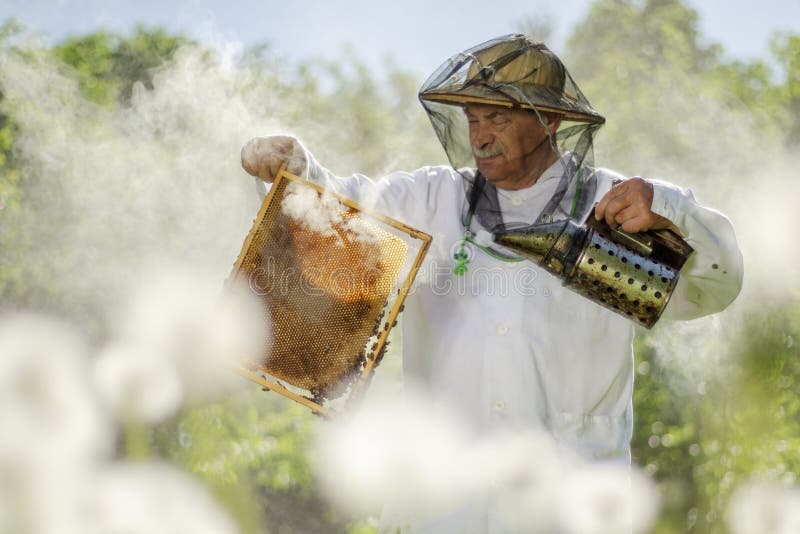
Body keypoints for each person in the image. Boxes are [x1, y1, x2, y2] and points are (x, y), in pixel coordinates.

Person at [241, 34, 743, 531]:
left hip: (570, 511)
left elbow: (716, 285)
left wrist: (671, 208)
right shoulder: (431, 199)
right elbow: (338, 210)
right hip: (443, 510)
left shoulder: (615, 205)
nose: (480, 136)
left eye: (498, 117)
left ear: (551, 118)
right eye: (472, 118)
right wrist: (296, 166)